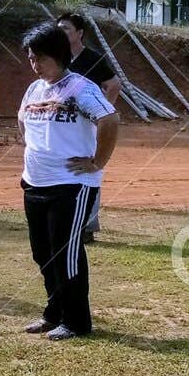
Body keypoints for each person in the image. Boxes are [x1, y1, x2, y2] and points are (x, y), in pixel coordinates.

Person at [18, 22, 119, 339]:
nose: (35, 65)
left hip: (71, 186)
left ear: (59, 56)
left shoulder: (80, 88)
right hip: (35, 182)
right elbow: (23, 120)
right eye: (32, 58)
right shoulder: (35, 89)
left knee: (66, 251)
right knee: (42, 252)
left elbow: (110, 119)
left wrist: (97, 161)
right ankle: (55, 313)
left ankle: (76, 322)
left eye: (41, 59)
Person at [56, 12, 123, 242]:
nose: (61, 33)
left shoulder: (91, 57)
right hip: (63, 125)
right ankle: (66, 220)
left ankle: (87, 226)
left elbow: (114, 85)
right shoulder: (58, 59)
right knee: (67, 168)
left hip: (87, 125)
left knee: (90, 169)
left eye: (66, 28)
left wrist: (102, 112)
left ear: (80, 33)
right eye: (59, 28)